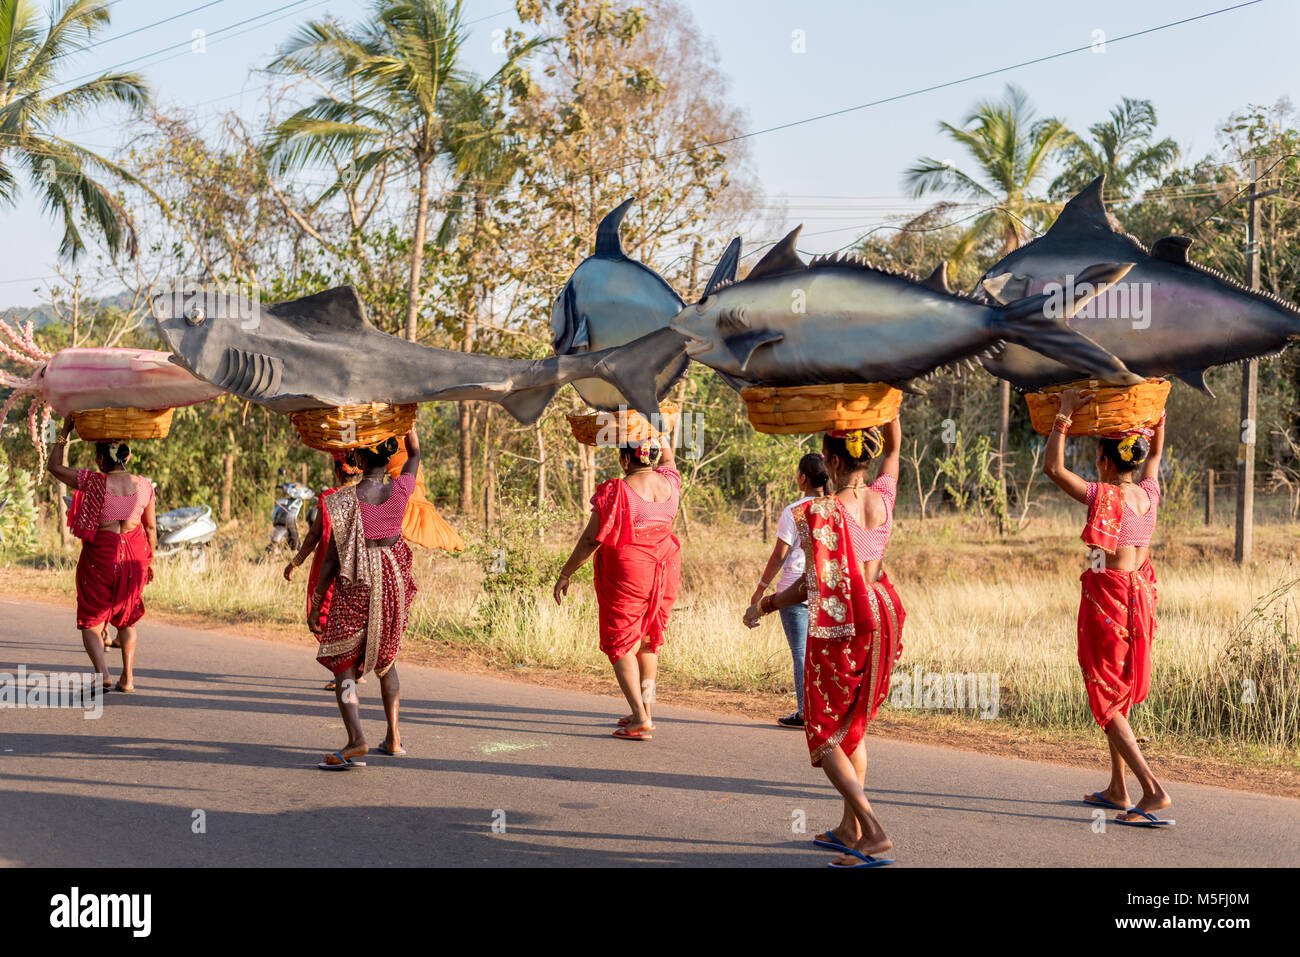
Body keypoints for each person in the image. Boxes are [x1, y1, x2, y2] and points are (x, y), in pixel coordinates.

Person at [744, 418, 904, 868]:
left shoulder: (823, 513)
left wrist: (767, 603)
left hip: (843, 624)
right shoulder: (884, 497)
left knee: (822, 730)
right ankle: (850, 827)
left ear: (832, 461)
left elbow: (813, 585)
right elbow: (895, 450)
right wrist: (889, 407)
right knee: (853, 725)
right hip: (881, 614)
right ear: (866, 459)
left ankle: (872, 830)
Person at [1043, 390, 1172, 828]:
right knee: (1119, 691)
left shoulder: (1104, 498)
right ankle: (1118, 788)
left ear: (1103, 462)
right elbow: (1155, 453)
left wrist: (1063, 415)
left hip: (1111, 599)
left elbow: (1053, 469)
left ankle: (1151, 788)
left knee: (1105, 695)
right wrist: (1157, 416)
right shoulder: (1148, 493)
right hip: (1140, 595)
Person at [554, 435, 681, 741]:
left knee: (622, 640)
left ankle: (639, 718)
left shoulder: (617, 491)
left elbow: (590, 539)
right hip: (665, 566)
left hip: (629, 569)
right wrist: (656, 426)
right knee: (650, 636)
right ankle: (646, 709)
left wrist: (565, 573)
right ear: (651, 456)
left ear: (626, 459)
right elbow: (668, 458)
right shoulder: (670, 482)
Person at [309, 429, 421, 770]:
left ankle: (357, 739)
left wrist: (316, 602)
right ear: (389, 458)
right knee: (388, 660)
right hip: (391, 582)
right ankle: (395, 737)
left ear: (356, 460)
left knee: (343, 663)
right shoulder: (400, 489)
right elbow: (414, 454)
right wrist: (406, 424)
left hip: (357, 582)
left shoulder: (345, 501)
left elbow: (330, 559)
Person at [46, 418, 156, 693]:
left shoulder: (92, 482)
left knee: (92, 619)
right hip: (135, 558)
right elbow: (151, 528)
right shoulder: (144, 486)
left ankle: (103, 674)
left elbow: (54, 467)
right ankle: (127, 679)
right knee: (128, 618)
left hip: (102, 557)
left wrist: (64, 431)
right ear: (127, 456)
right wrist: (149, 562)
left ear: (99, 459)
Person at [748, 452, 831, 728]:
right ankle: (825, 708)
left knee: (801, 653)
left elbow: (779, 556)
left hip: (792, 592)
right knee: (824, 652)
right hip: (826, 589)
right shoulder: (835, 507)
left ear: (803, 478)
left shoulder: (794, 511)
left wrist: (760, 590)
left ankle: (806, 713)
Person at [285, 451, 362, 692]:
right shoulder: (367, 497)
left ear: (338, 471)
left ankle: (345, 674)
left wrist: (295, 562)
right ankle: (352, 670)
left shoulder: (329, 498)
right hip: (359, 568)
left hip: (329, 567)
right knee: (351, 617)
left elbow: (313, 536)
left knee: (325, 618)